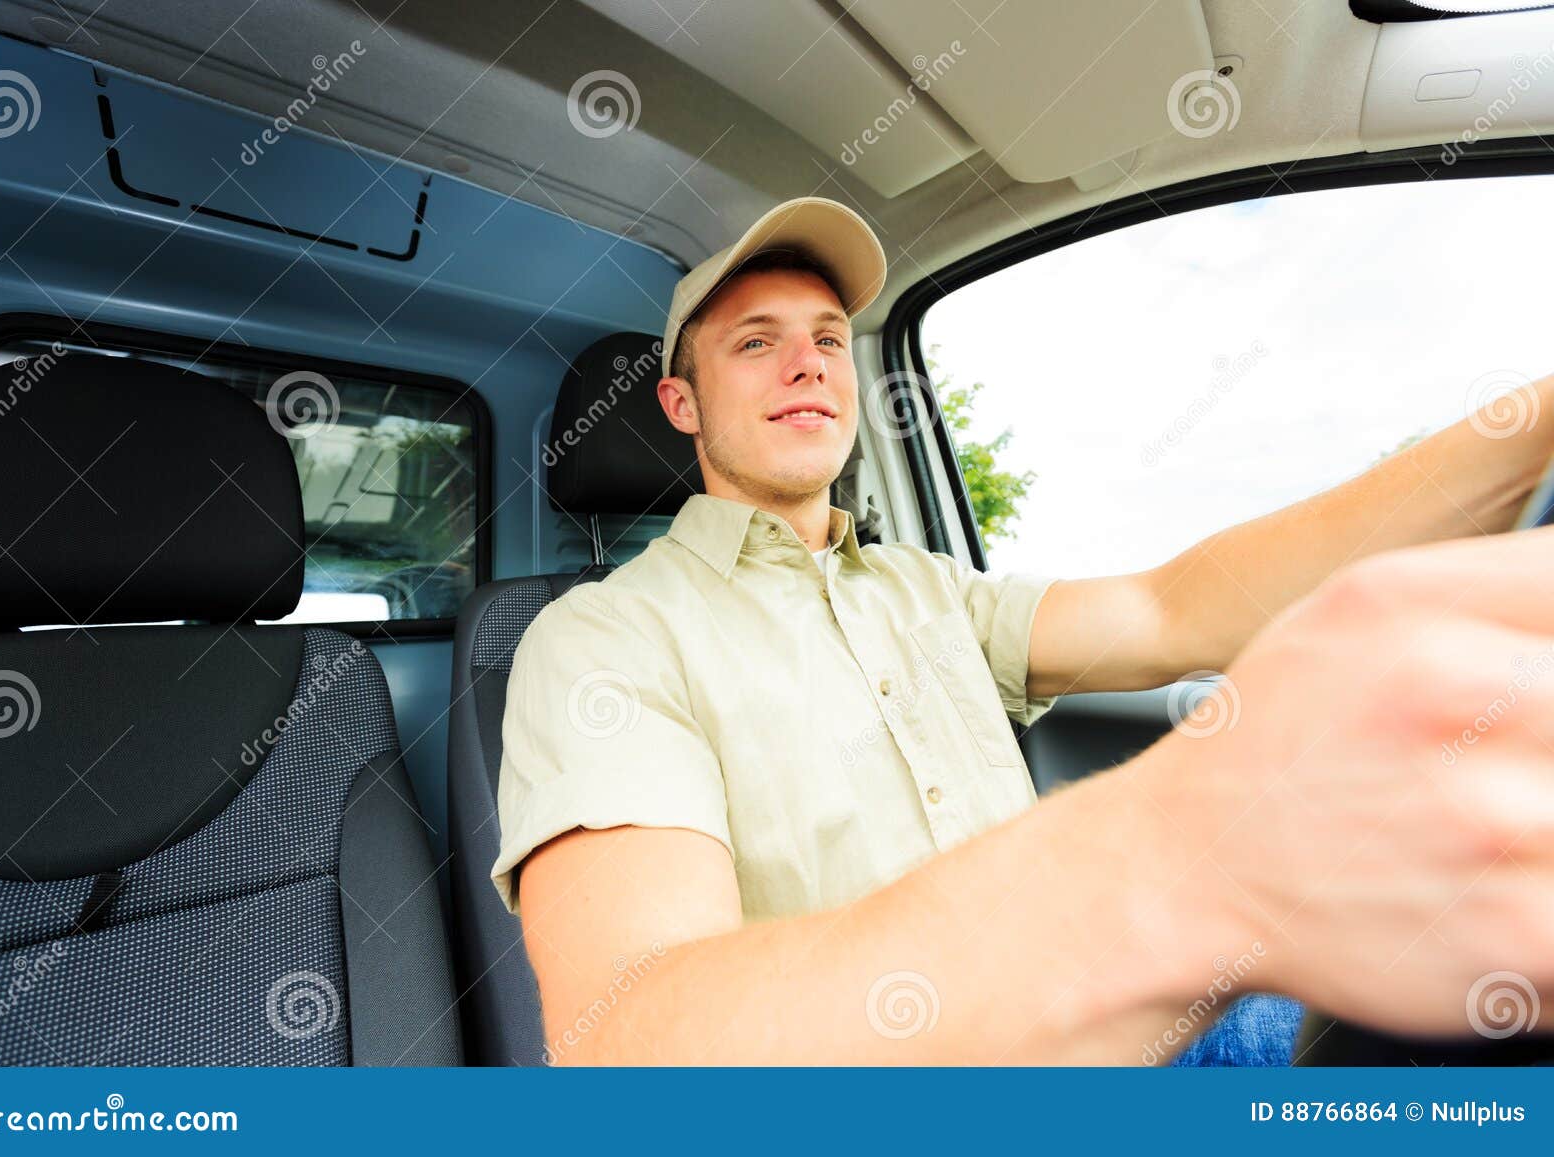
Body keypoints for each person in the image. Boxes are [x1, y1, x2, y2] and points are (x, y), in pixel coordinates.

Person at [493, 197, 1554, 1064]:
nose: (807, 364)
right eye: (756, 342)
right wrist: (1186, 855)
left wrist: (1531, 427)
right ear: (681, 404)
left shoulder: (928, 586)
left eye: (827, 340)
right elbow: (630, 1041)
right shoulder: (601, 640)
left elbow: (1171, 607)